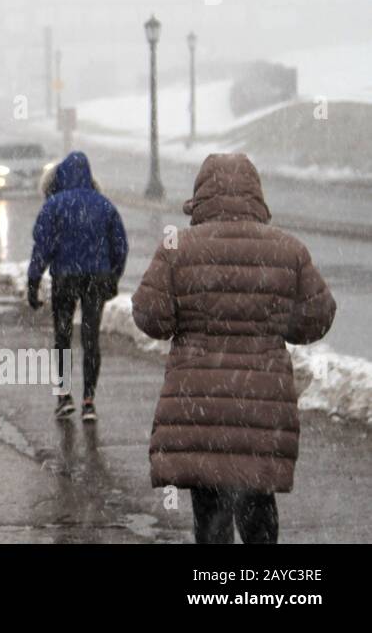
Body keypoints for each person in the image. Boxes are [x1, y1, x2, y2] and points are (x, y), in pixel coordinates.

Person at [132, 154, 335, 544]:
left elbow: (150, 317)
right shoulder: (288, 249)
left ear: (200, 196)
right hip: (260, 406)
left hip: (199, 406)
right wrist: (276, 327)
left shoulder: (177, 248)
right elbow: (318, 317)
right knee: (258, 508)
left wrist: (185, 323)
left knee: (209, 514)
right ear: (256, 194)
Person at [26, 151, 128, 422]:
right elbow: (120, 245)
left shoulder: (54, 205)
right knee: (90, 339)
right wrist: (112, 276)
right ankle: (89, 400)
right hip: (96, 277)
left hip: (66, 278)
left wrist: (33, 281)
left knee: (62, 338)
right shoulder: (104, 205)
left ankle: (64, 397)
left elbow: (42, 248)